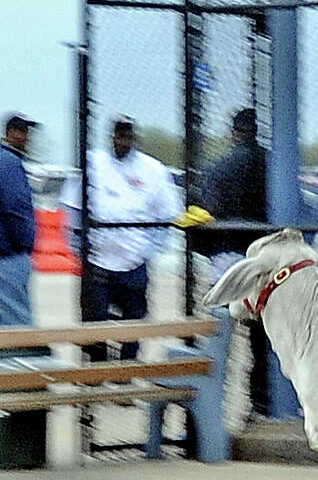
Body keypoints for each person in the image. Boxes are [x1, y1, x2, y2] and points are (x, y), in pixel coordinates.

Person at [60, 116, 183, 361]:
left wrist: (150, 250)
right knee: (94, 324)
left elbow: (169, 214)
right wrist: (78, 248)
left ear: (134, 139)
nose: (123, 141)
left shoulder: (152, 170)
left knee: (133, 325)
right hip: (98, 261)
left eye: (128, 136)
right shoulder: (94, 163)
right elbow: (72, 209)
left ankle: (125, 377)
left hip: (133, 264)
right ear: (112, 137)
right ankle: (94, 380)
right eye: (119, 135)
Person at [196, 108, 270, 416]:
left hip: (227, 259)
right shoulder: (271, 165)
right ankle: (262, 403)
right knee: (261, 339)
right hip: (263, 259)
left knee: (221, 335)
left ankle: (212, 408)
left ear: (234, 132)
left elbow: (208, 209)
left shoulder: (220, 167)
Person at [0, 114, 38, 326]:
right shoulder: (9, 162)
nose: (26, 137)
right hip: (7, 258)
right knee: (18, 329)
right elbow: (16, 210)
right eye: (21, 131)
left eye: (27, 132)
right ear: (8, 134)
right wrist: (26, 244)